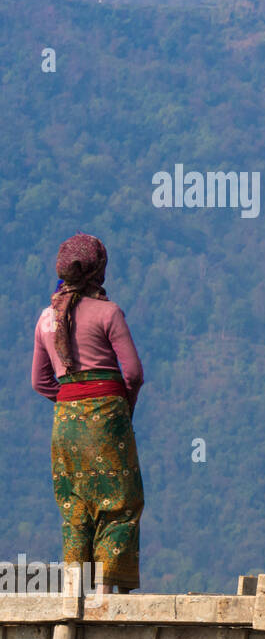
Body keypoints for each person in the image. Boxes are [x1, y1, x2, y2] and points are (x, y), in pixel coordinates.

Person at [32, 234, 145, 592]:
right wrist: (118, 405)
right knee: (121, 501)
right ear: (99, 269)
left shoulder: (47, 319)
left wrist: (71, 399)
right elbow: (134, 373)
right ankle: (107, 592)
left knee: (75, 504)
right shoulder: (108, 313)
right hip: (107, 415)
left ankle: (74, 593)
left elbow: (40, 381)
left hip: (64, 421)